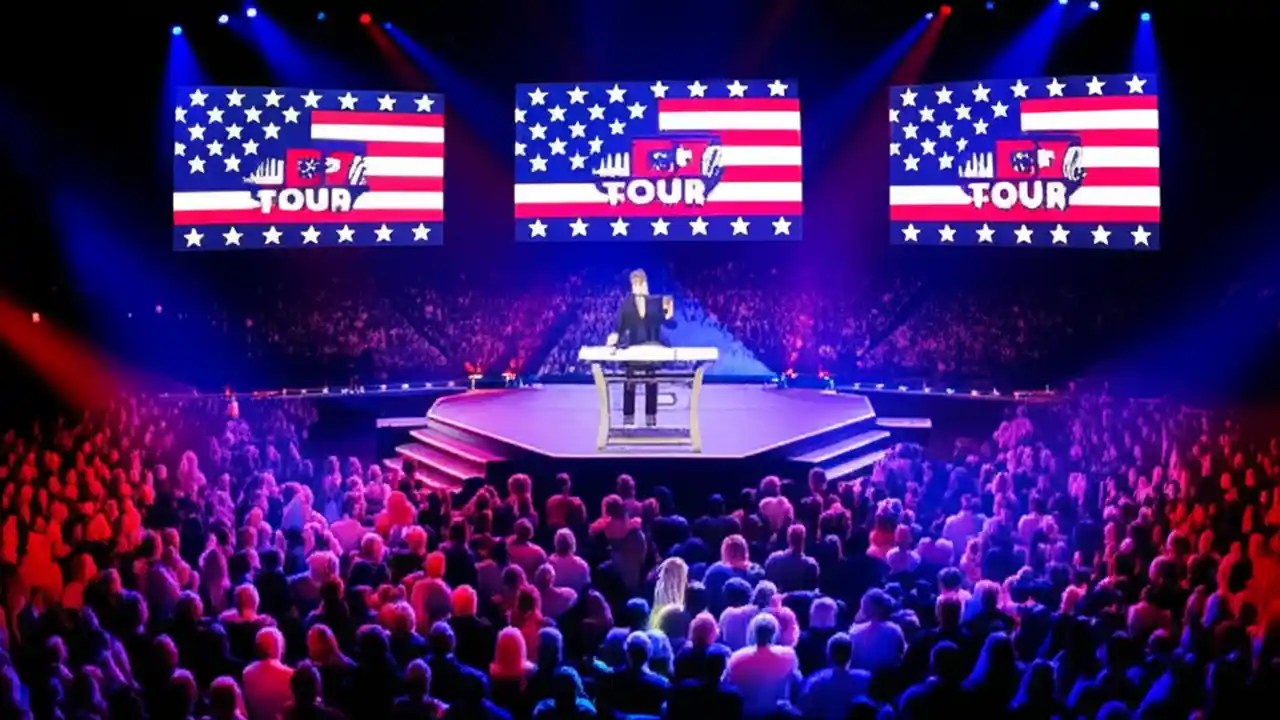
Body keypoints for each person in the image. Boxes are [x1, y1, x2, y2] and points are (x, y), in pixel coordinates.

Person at [605, 268, 676, 426]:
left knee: (651, 383)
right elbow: (619, 327)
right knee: (629, 384)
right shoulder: (626, 305)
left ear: (645, 283)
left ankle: (651, 419)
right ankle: (628, 420)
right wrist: (614, 337)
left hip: (652, 350)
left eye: (640, 283)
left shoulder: (657, 301)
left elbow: (671, 324)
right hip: (633, 350)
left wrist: (669, 314)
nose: (637, 286)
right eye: (634, 283)